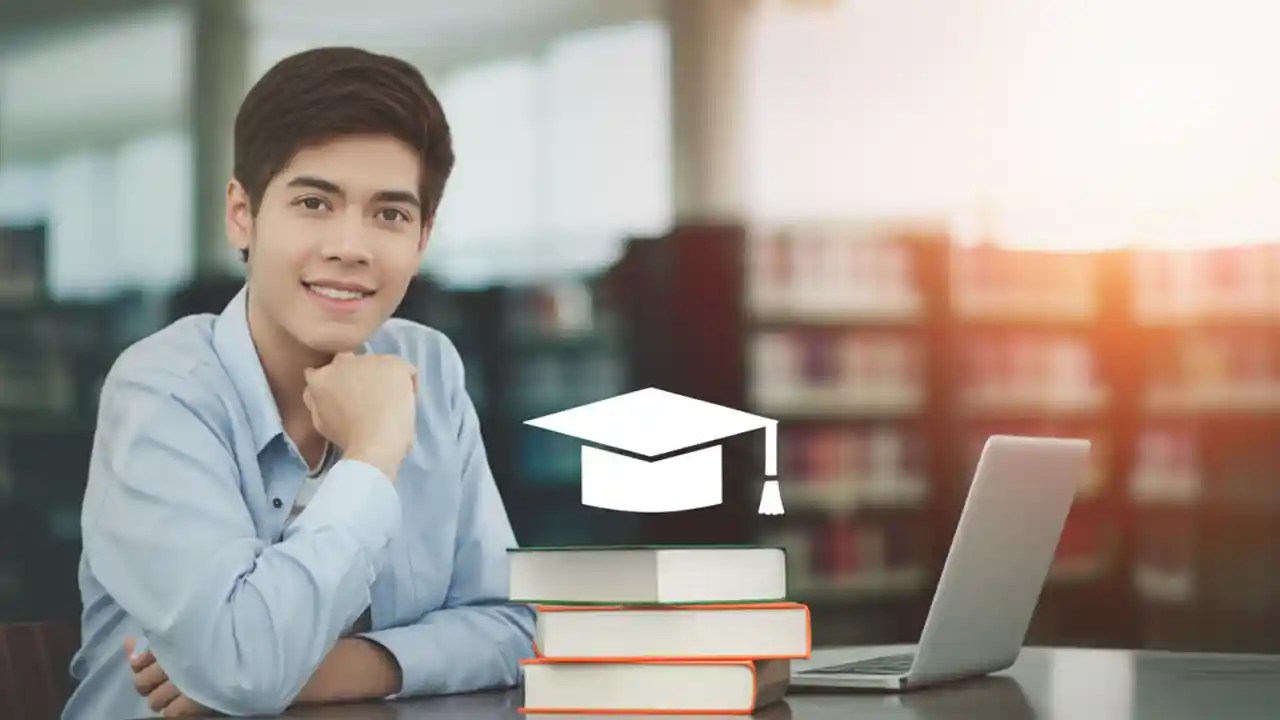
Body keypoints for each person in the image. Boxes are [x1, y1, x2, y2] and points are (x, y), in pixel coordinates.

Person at [61, 46, 535, 719]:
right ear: (242, 215)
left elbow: (513, 626)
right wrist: (372, 457)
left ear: (424, 237)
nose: (351, 245)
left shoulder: (430, 366)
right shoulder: (162, 388)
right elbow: (246, 664)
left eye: (390, 214)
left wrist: (326, 671)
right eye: (315, 202)